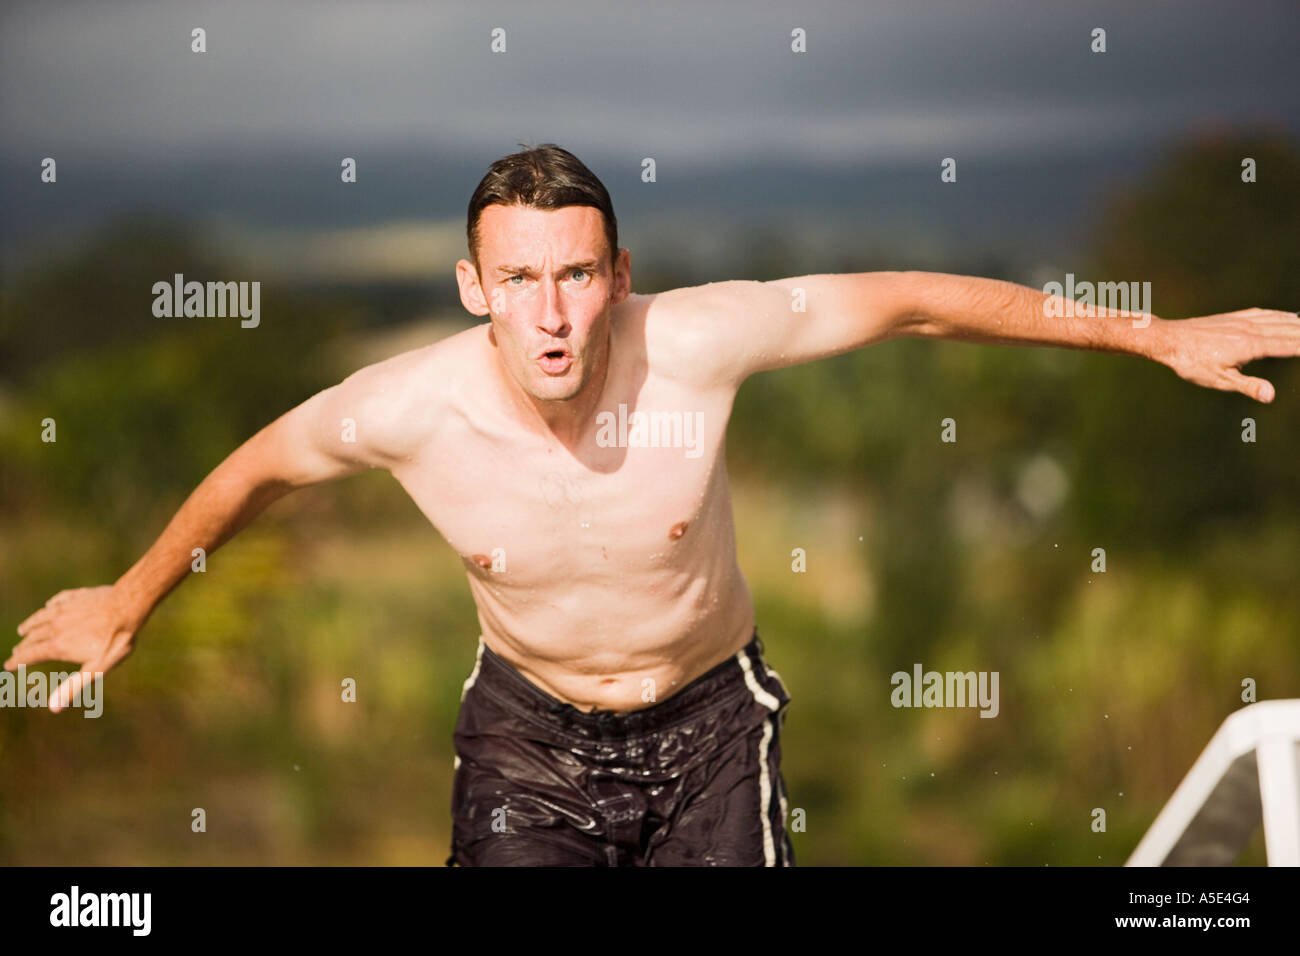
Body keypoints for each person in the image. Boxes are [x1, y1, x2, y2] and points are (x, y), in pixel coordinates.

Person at [9, 143, 1299, 866]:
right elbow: (253, 470)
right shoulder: (402, 408)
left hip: (711, 729)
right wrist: (128, 601)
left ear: (619, 274)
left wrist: (1151, 336)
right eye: (520, 280)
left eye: (578, 274)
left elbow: (913, 294)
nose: (554, 313)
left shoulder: (695, 340)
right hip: (523, 737)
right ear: (474, 286)